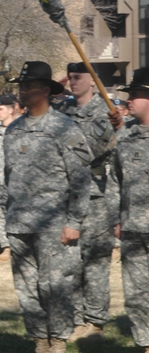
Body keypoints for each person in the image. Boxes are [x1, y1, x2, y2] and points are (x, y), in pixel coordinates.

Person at [4, 62, 93, 353]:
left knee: (55, 287)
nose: (23, 91)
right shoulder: (13, 130)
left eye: (28, 86)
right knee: (27, 289)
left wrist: (74, 222)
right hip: (20, 224)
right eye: (21, 86)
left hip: (54, 225)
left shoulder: (64, 128)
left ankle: (58, 341)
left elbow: (80, 179)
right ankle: (40, 340)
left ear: (45, 90)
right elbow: (8, 177)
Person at [60, 63, 117, 342]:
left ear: (93, 81)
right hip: (66, 194)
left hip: (95, 193)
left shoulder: (106, 112)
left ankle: (95, 321)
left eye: (78, 77)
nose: (72, 82)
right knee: (70, 260)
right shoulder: (62, 112)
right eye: (70, 77)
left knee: (94, 261)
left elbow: (89, 153)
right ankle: (76, 317)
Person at [109, 68, 149, 353]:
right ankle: (145, 343)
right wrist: (117, 218)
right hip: (134, 227)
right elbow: (115, 182)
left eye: (135, 94)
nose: (129, 100)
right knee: (136, 295)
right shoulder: (126, 136)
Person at [0, 94, 18, 254]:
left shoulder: (18, 129)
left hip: (15, 180)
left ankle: (15, 243)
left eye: (0, 109)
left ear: (11, 110)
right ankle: (6, 246)